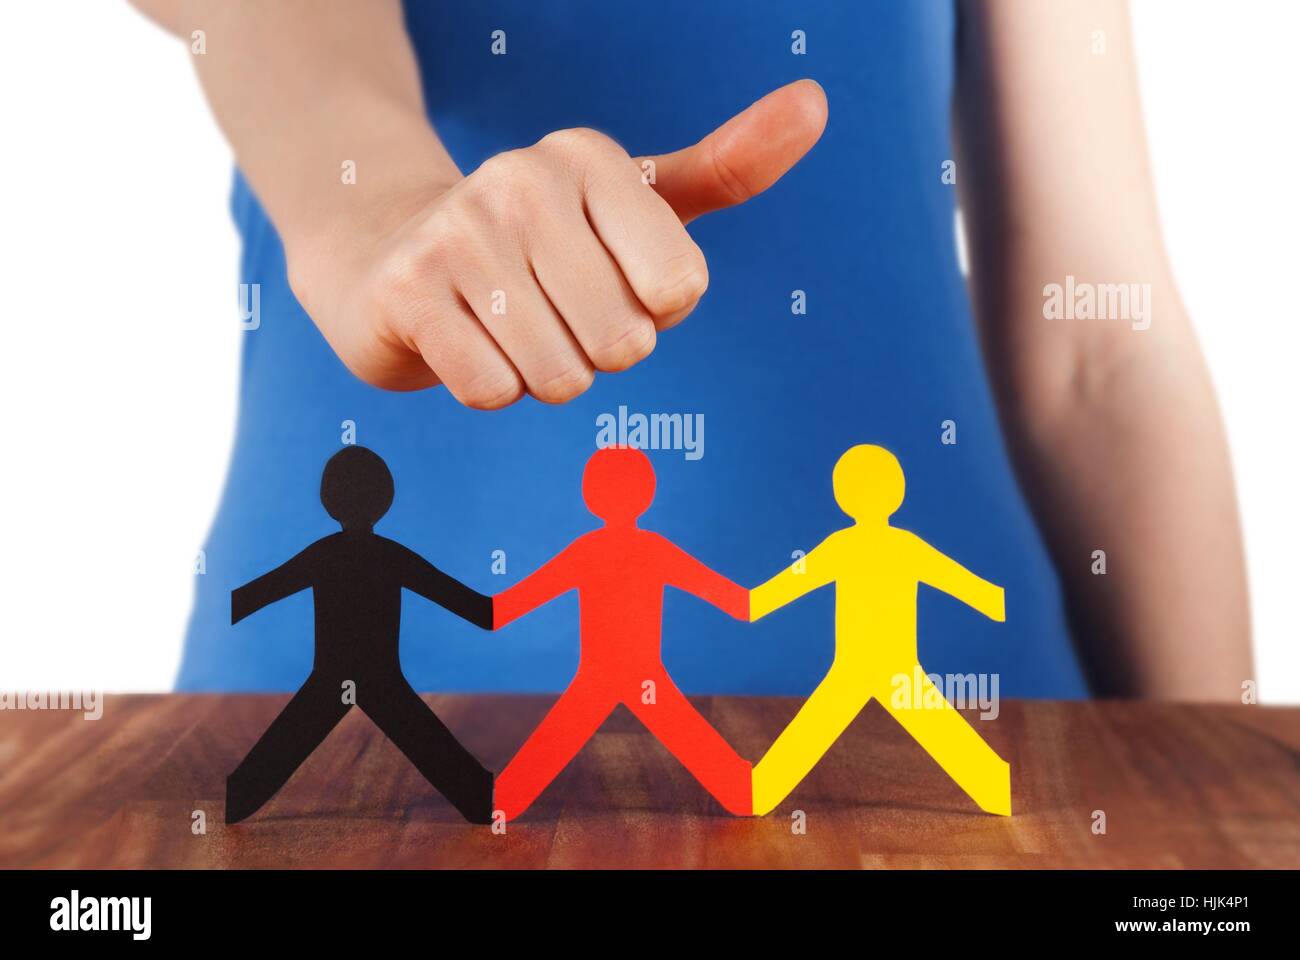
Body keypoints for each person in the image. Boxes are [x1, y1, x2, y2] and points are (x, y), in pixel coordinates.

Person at [130, 0, 1251, 700]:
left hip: (967, 748)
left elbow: (1096, 346)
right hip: (342, 770)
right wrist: (376, 205)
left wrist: (1222, 817)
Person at [226, 446, 495, 823]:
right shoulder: (391, 554)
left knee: (281, 749)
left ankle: (234, 802)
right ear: (385, 499)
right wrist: (530, 598)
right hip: (379, 678)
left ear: (328, 501)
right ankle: (484, 800)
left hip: (334, 679)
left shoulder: (321, 554)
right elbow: (475, 608)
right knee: (428, 743)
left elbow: (256, 594)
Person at [750, 445, 1010, 816]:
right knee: (928, 724)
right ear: (897, 493)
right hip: (883, 665)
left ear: (842, 496)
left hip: (871, 664)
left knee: (818, 725)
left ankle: (761, 790)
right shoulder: (904, 545)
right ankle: (992, 783)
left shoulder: (843, 546)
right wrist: (993, 600)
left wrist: (752, 604)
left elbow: (790, 582)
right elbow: (958, 580)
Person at [493, 447, 750, 820]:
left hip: (602, 675)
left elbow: (516, 602)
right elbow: (730, 598)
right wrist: (770, 595)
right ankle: (741, 791)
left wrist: (478, 607)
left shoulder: (587, 550)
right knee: (696, 745)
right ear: (648, 493)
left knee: (553, 742)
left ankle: (503, 801)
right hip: (640, 675)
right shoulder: (653, 548)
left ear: (589, 496)